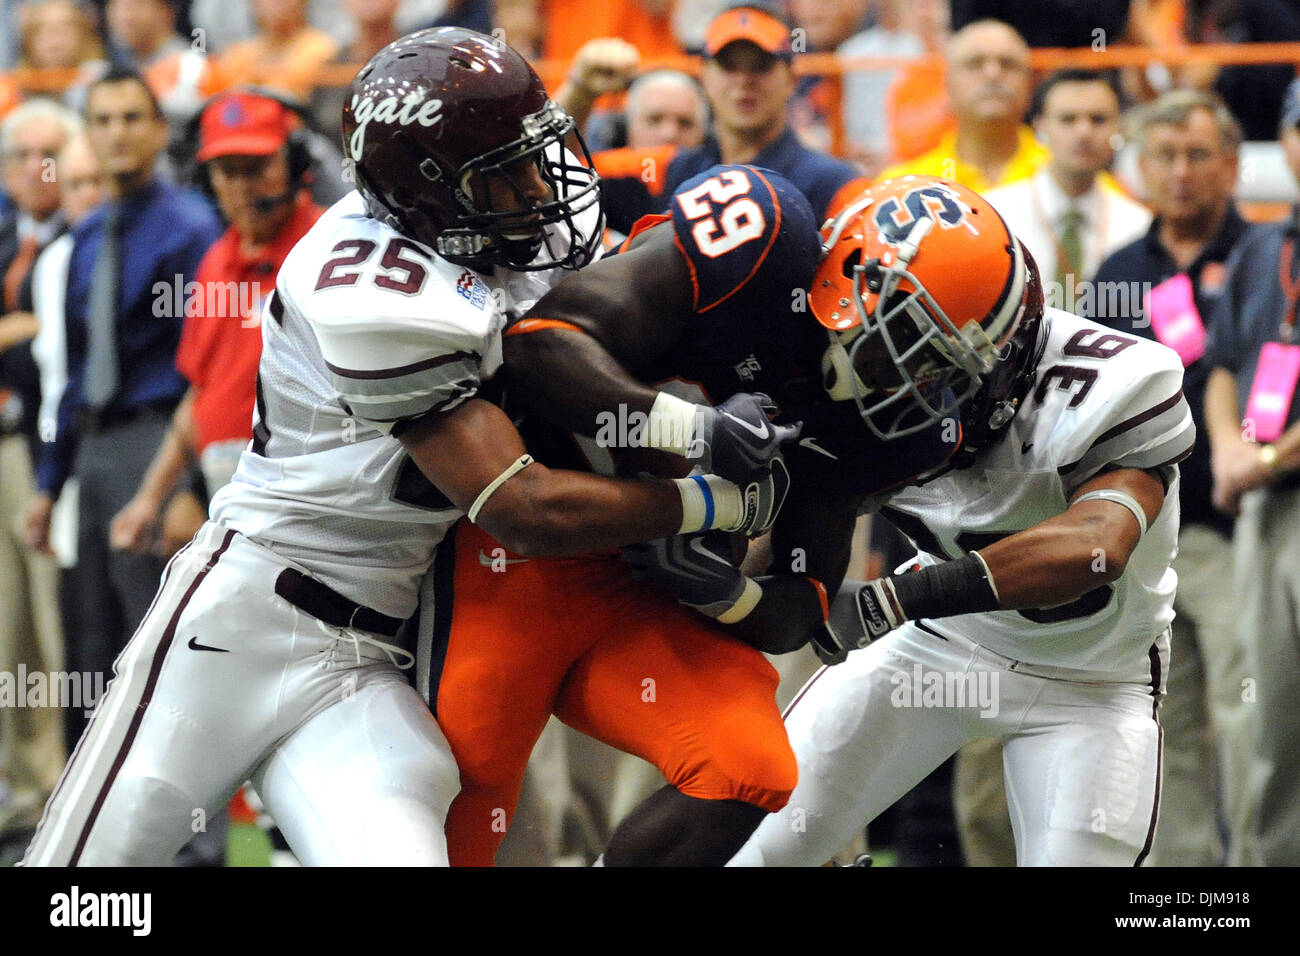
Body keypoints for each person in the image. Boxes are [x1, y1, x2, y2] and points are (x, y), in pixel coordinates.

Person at [21, 28, 786, 868]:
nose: (542, 186)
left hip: (370, 654)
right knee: (82, 884)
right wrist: (711, 497)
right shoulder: (371, 291)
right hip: (245, 621)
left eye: (539, 155)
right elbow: (523, 507)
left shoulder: (472, 228)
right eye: (508, 172)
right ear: (430, 198)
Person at [439, 165, 961, 867]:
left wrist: (724, 591)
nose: (915, 379)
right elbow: (537, 347)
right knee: (460, 809)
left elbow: (800, 604)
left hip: (634, 594)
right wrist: (695, 431)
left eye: (942, 363)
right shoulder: (758, 250)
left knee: (749, 767)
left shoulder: (881, 424)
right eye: (909, 342)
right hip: (508, 558)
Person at [724, 174, 1195, 867]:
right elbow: (778, 543)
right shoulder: (844, 364)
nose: (873, 378)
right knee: (756, 850)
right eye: (864, 342)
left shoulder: (1118, 381)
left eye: (914, 355)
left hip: (1093, 680)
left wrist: (891, 601)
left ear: (1001, 349)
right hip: (938, 645)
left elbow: (1098, 546)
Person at [24, 69, 223, 752]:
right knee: (91, 644)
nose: (116, 132)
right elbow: (77, 375)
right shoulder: (86, 236)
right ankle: (96, 841)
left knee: (159, 643)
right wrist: (50, 487)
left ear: (159, 130)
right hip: (94, 446)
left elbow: (210, 372)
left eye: (131, 118)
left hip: (161, 439)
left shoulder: (192, 229)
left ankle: (193, 853)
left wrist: (188, 488)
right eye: (102, 120)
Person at [1088, 88, 1254, 867]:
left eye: (1197, 155)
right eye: (1164, 156)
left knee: (1254, 714)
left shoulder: (1268, 255)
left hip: (1239, 530)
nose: (1181, 172)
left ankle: (1261, 865)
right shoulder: (1119, 270)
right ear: (1141, 167)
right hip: (1143, 536)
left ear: (1229, 163)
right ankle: (1183, 887)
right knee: (1158, 723)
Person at [110, 89, 324, 558]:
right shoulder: (217, 258)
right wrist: (156, 497)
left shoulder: (326, 250)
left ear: (295, 162)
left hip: (301, 507)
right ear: (207, 179)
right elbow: (202, 391)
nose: (243, 187)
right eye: (228, 171)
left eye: (257, 168)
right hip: (224, 492)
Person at [1201, 76, 1300, 868]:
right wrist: (1231, 448)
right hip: (1264, 514)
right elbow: (1225, 361)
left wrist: (1261, 458)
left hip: (1278, 483)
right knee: (1270, 718)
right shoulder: (1266, 246)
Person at [597, 3, 869, 235]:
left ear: (792, 79)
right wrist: (580, 91)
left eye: (760, 65)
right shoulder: (669, 168)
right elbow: (569, 174)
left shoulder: (834, 185)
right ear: (703, 76)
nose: (743, 81)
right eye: (729, 65)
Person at [0, 96, 78, 849]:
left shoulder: (77, 240)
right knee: (8, 632)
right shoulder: (6, 242)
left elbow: (48, 352)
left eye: (45, 154)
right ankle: (26, 795)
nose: (33, 169)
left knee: (57, 625)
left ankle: (66, 792)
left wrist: (23, 335)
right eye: (19, 157)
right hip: (2, 446)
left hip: (44, 445)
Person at [986, 69, 1152, 297]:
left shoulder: (1138, 226)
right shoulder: (996, 216)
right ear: (1039, 126)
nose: (1084, 132)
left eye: (1098, 119)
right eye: (1068, 119)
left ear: (1118, 126)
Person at [878, 19, 1047, 193]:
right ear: (947, 85)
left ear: (1030, 84)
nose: (993, 74)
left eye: (1008, 64)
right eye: (975, 63)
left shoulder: (1062, 172)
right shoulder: (907, 187)